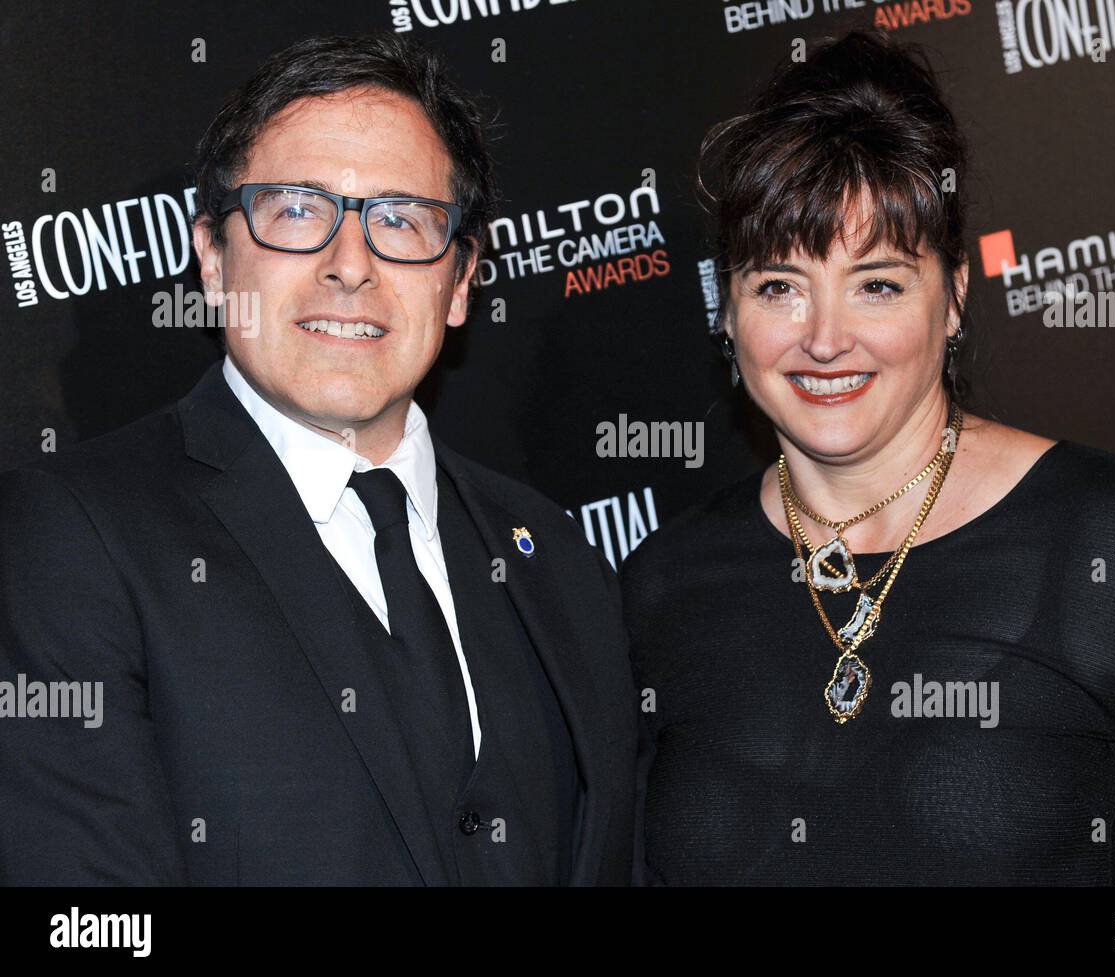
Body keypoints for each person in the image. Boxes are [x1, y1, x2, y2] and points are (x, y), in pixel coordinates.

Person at [621, 29, 1115, 885]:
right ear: (728, 312)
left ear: (954, 301)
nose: (825, 340)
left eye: (878, 283)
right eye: (779, 286)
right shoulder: (663, 587)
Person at [0, 34, 638, 885]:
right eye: (298, 209)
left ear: (458, 283)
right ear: (215, 258)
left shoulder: (555, 556)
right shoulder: (73, 538)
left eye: (402, 220)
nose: (350, 266)